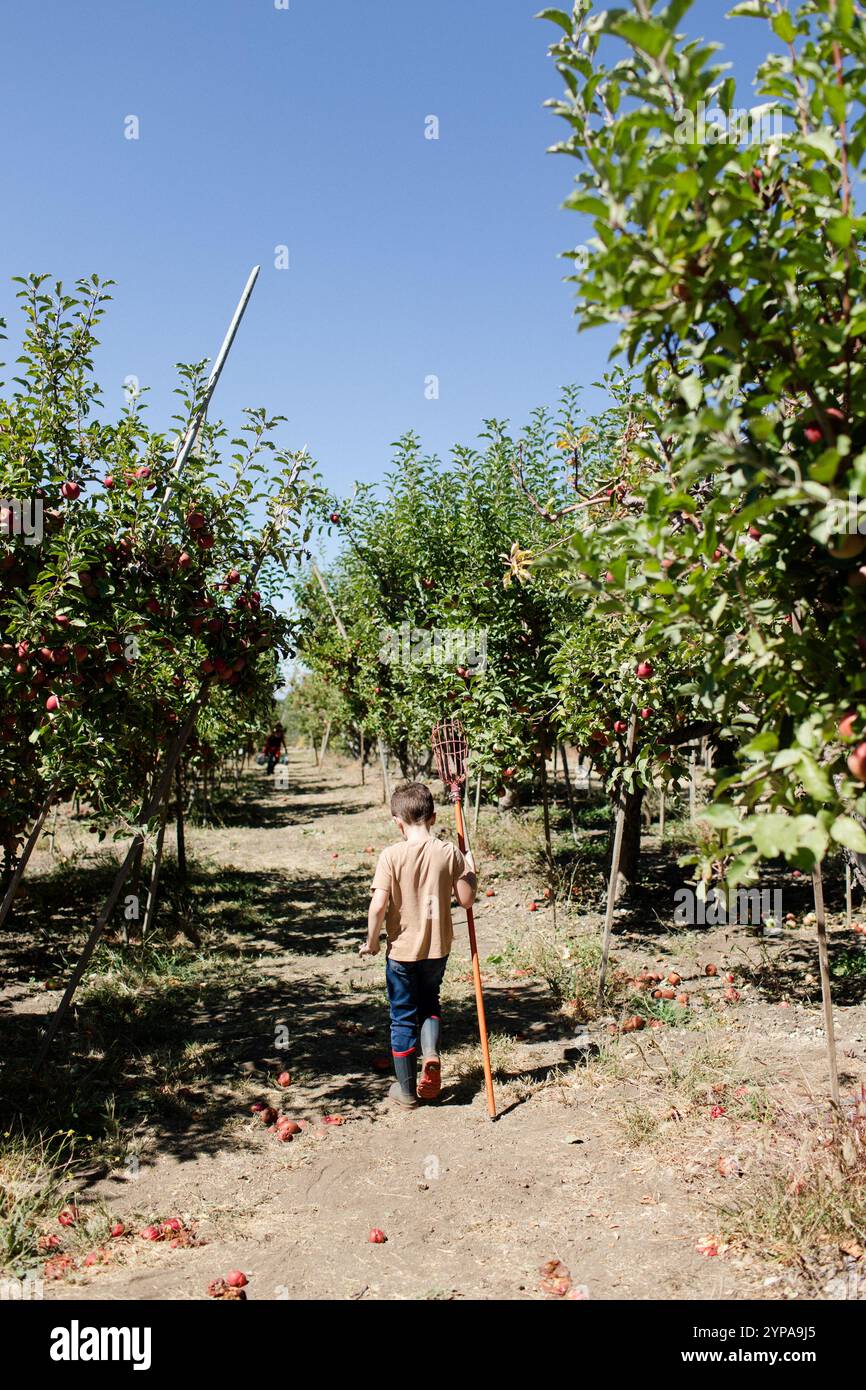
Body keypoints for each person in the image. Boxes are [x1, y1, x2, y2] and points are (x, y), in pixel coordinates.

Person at [359, 781, 477, 1108]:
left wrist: (371, 942)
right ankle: (431, 1053)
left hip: (401, 953)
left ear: (398, 822)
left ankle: (407, 1092)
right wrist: (469, 866)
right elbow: (466, 900)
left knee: (401, 1016)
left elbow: (378, 906)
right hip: (437, 950)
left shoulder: (390, 856)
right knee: (429, 1003)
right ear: (434, 816)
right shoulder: (448, 853)